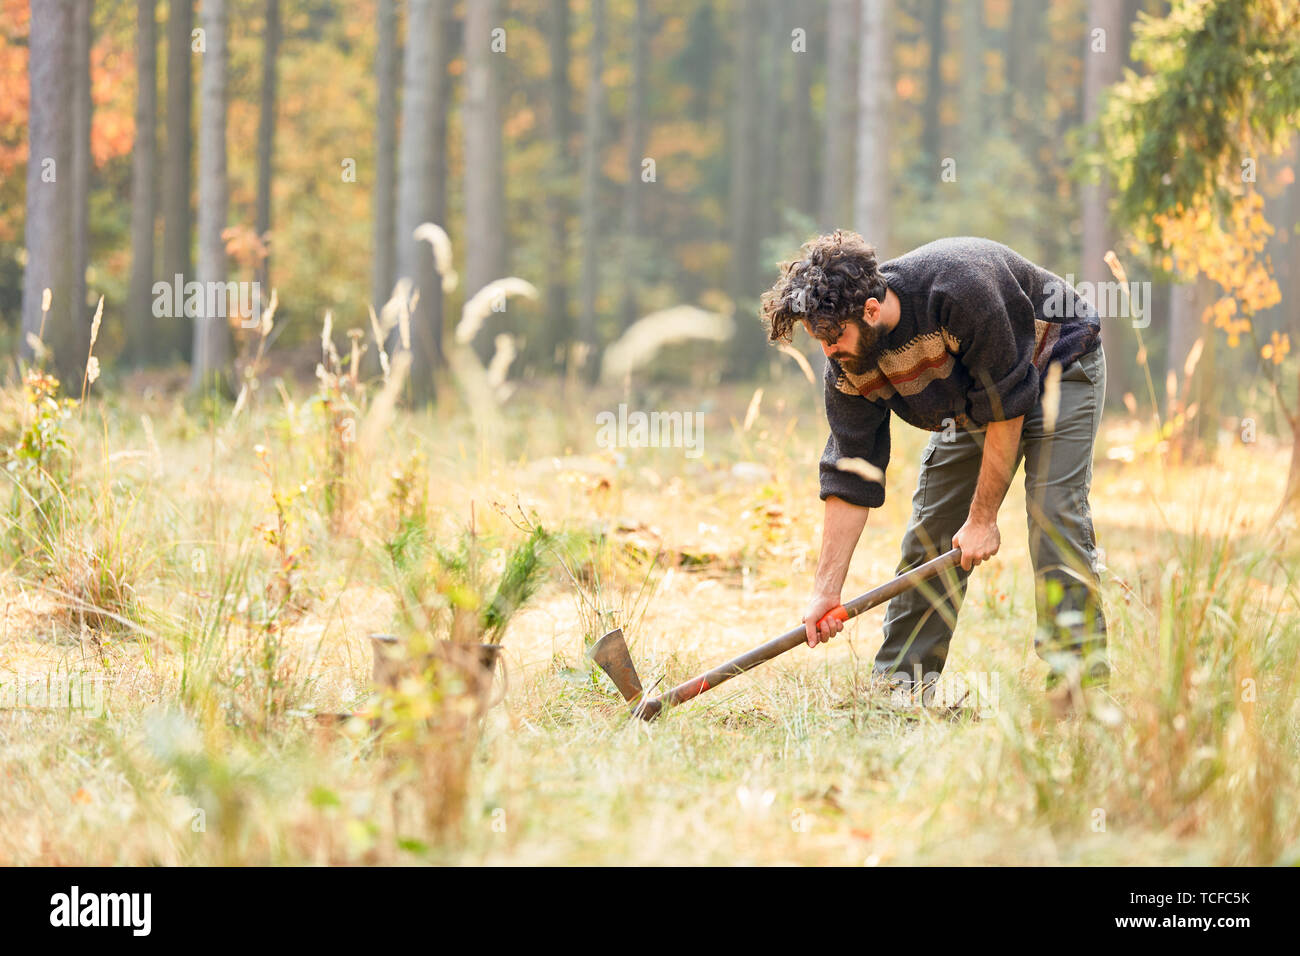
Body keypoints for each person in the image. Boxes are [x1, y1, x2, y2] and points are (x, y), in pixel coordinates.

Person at [760, 231, 1110, 701]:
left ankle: (1077, 691)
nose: (827, 350)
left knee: (1054, 516)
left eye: (832, 336)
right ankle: (899, 690)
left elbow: (1007, 407)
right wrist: (826, 590)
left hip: (1057, 365)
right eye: (818, 339)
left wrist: (983, 519)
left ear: (870, 308)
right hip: (972, 398)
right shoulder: (847, 362)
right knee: (933, 532)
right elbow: (850, 471)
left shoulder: (961, 289)